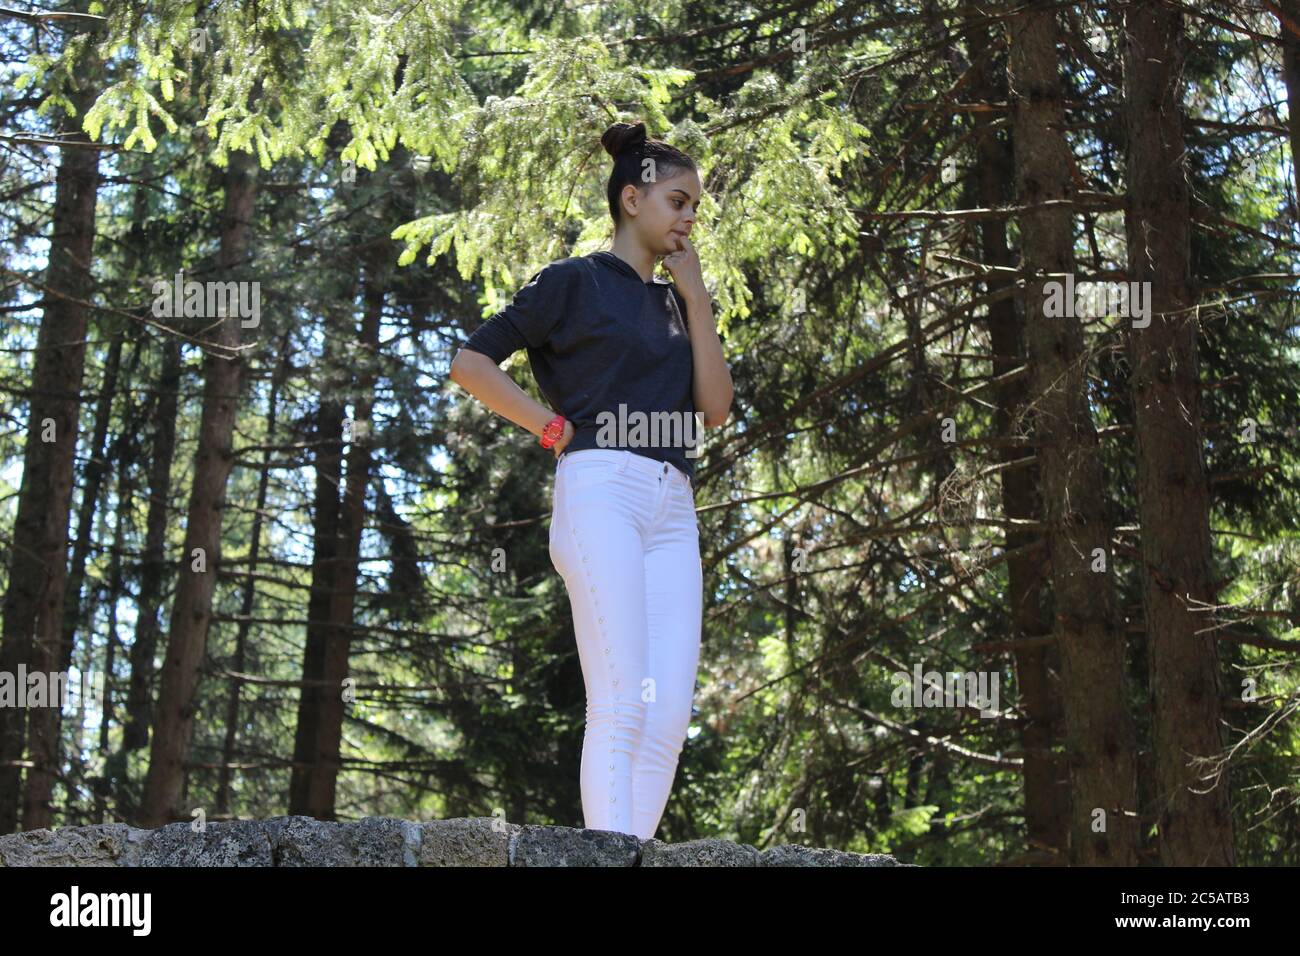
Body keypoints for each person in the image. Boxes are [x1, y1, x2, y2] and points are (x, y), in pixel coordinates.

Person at [448, 120, 733, 840]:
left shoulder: (679, 303)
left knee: (668, 712)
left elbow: (717, 410)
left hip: (674, 504)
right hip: (601, 487)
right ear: (632, 200)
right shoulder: (571, 281)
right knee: (622, 699)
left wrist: (697, 297)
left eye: (696, 207)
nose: (689, 219)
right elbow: (470, 364)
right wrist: (549, 427)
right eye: (678, 201)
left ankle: (627, 852)